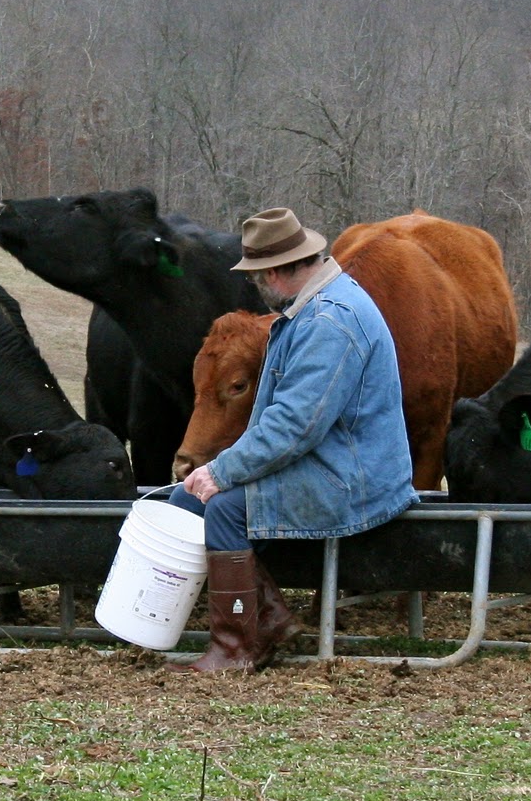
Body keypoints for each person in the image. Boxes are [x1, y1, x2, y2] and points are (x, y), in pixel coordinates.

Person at [169, 206, 418, 672]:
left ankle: (238, 647)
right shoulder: (309, 309)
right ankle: (269, 620)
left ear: (276, 272)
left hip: (351, 477)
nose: (255, 286)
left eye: (256, 276)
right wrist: (217, 473)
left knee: (224, 507)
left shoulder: (329, 321)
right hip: (329, 463)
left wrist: (222, 471)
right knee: (188, 499)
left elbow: (295, 426)